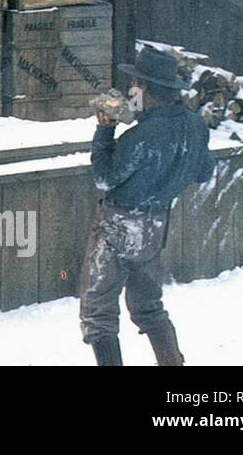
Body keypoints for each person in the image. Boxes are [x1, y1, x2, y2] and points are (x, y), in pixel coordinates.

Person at [80, 47, 216, 366]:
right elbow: (204, 171)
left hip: (118, 226)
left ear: (147, 88)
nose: (131, 91)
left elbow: (104, 178)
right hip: (156, 226)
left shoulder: (141, 136)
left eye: (135, 85)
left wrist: (105, 128)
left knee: (98, 311)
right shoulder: (196, 126)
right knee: (148, 306)